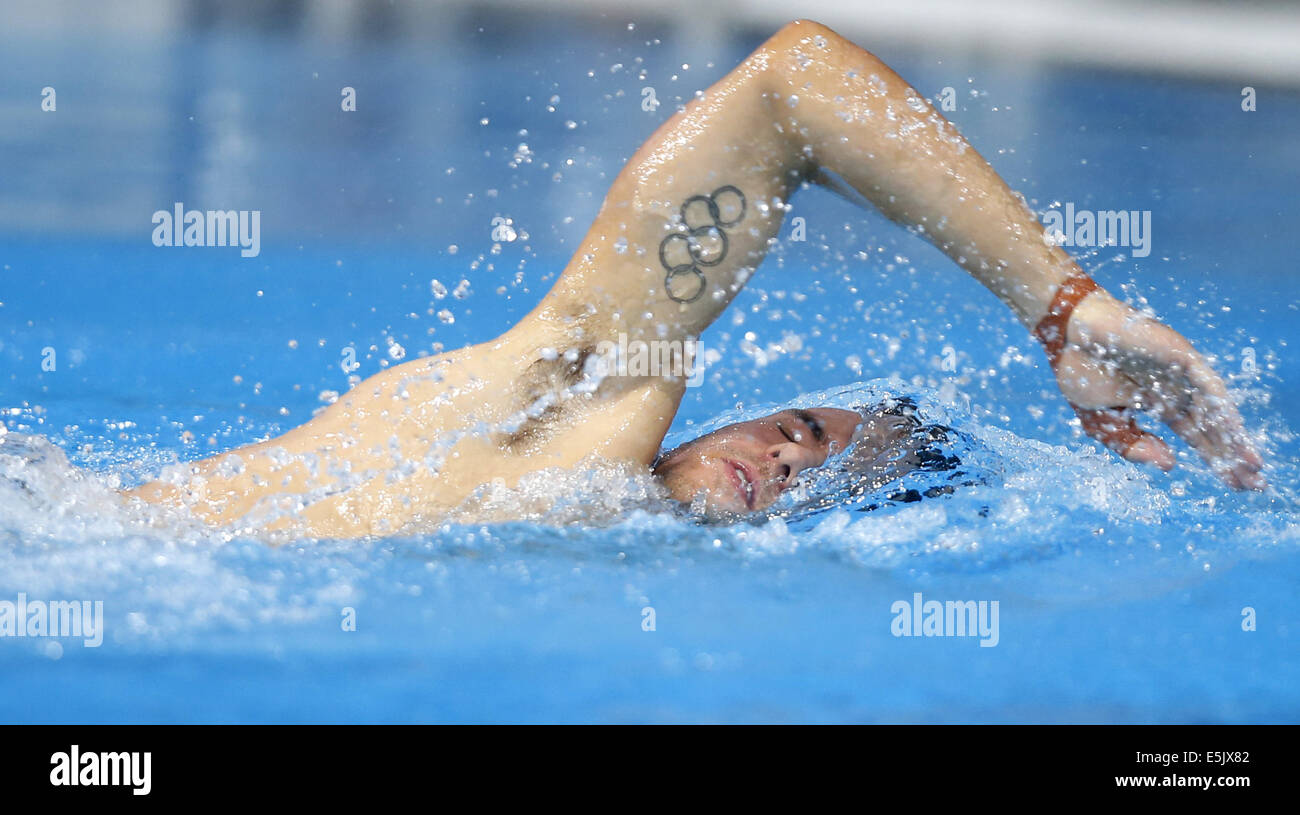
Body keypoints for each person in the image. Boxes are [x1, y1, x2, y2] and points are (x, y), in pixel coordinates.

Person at [126, 19, 1264, 537]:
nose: (779, 456)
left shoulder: (602, 548)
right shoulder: (584, 405)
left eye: (820, 477)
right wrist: (1064, 309)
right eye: (801, 428)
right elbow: (793, 87)